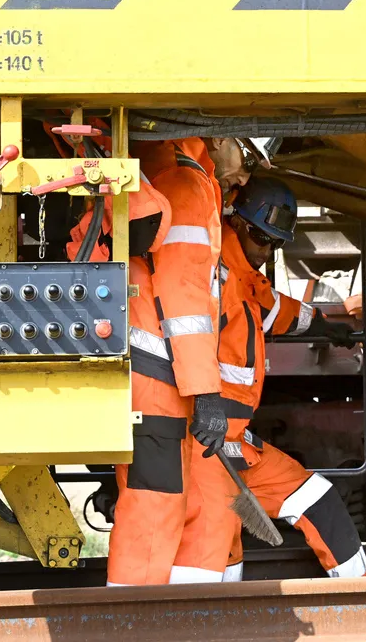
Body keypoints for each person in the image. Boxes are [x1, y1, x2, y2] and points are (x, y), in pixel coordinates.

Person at [171, 176, 366, 583]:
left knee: (318, 500)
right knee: (211, 560)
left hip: (235, 445)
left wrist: (321, 323)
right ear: (237, 222)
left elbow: (270, 307)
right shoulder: (212, 275)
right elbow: (189, 339)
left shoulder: (242, 277)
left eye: (277, 244)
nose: (268, 252)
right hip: (202, 446)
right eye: (263, 238)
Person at [106, 137, 251, 586]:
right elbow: (184, 298)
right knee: (153, 510)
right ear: (224, 139)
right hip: (156, 375)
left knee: (160, 503)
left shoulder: (185, 172)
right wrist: (206, 392)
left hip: (155, 372)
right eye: (246, 160)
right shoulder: (186, 183)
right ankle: (128, 625)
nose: (244, 177)